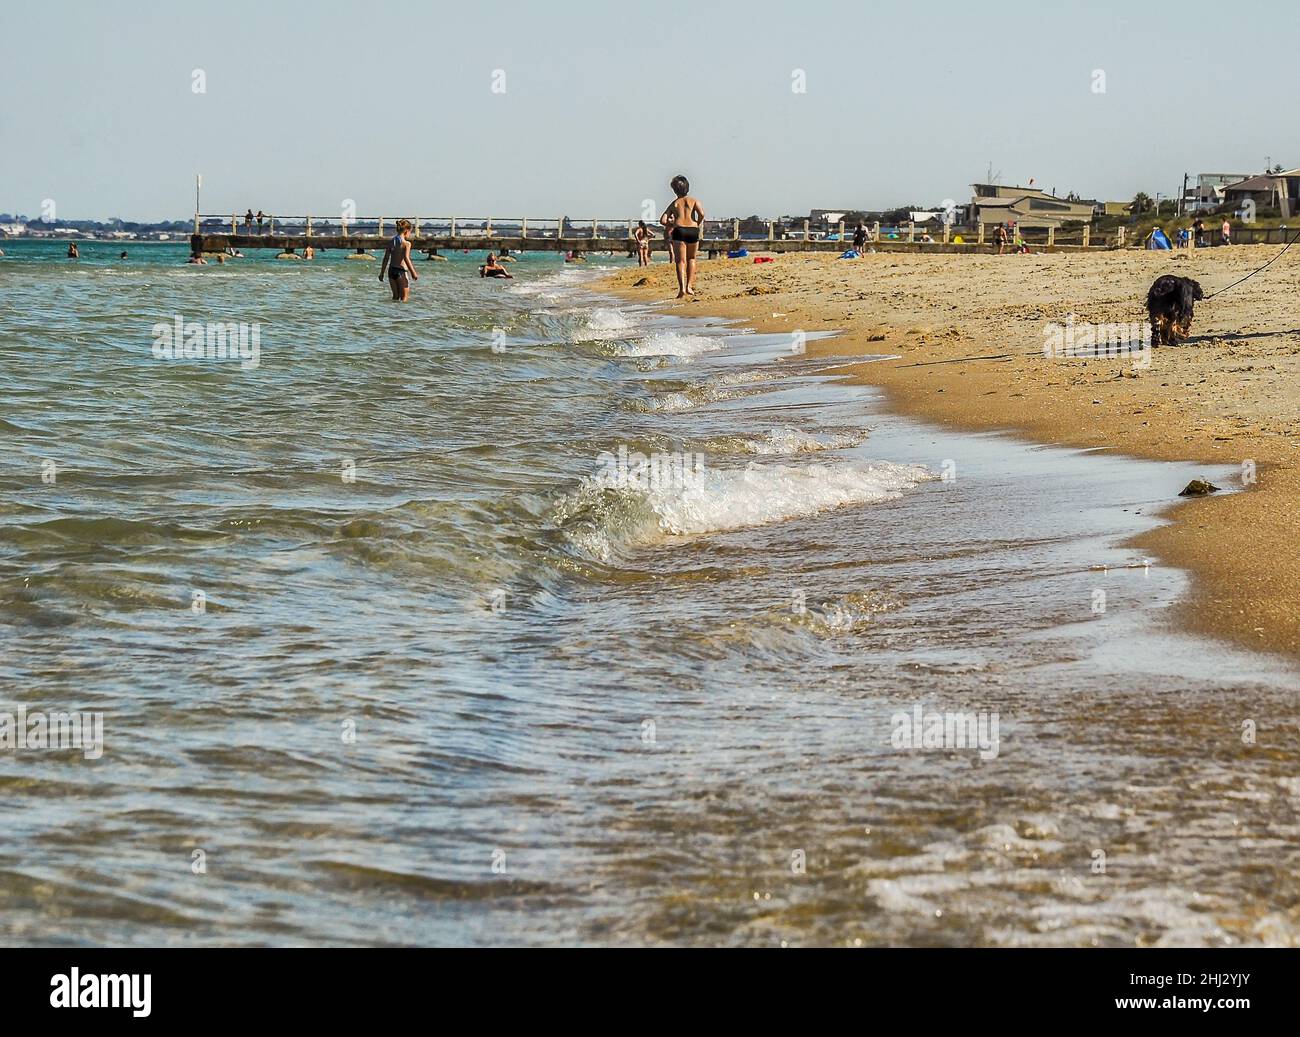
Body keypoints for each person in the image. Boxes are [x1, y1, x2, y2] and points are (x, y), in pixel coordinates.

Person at [659, 174, 706, 298]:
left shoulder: (674, 203)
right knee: (691, 258)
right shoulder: (694, 201)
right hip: (693, 230)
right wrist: (697, 223)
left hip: (679, 230)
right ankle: (689, 286)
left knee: (680, 261)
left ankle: (681, 289)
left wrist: (672, 223)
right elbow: (702, 213)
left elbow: (662, 220)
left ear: (674, 190)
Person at [379, 219, 419, 300]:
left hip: (391, 271)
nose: (410, 234)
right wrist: (413, 273)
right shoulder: (406, 244)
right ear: (406, 231)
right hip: (401, 271)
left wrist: (382, 273)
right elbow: (406, 258)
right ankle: (402, 313)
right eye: (410, 232)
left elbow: (386, 258)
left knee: (395, 297)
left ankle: (394, 312)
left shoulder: (391, 242)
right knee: (404, 299)